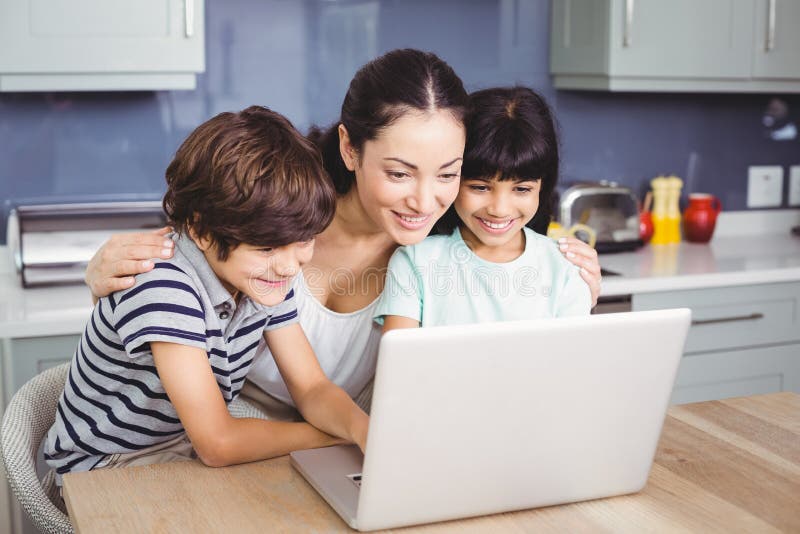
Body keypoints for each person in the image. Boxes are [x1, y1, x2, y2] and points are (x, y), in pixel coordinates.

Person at [83, 49, 602, 424]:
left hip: (352, 441)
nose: (424, 202)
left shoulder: (454, 238)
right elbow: (188, 252)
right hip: (240, 434)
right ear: (350, 149)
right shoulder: (281, 212)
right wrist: (99, 268)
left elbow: (517, 263)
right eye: (399, 173)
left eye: (448, 174)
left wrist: (577, 280)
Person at [44, 106, 368, 482]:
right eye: (265, 248)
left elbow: (311, 387)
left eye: (304, 241)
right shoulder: (165, 286)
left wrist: (362, 429)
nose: (289, 266)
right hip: (102, 470)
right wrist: (329, 438)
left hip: (178, 448)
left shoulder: (266, 279)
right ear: (200, 231)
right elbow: (218, 444)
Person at [375, 87, 590, 331]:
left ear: (543, 186)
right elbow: (402, 364)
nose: (499, 209)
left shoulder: (565, 268)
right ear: (452, 177)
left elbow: (573, 363)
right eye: (480, 187)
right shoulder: (415, 262)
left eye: (521, 189)